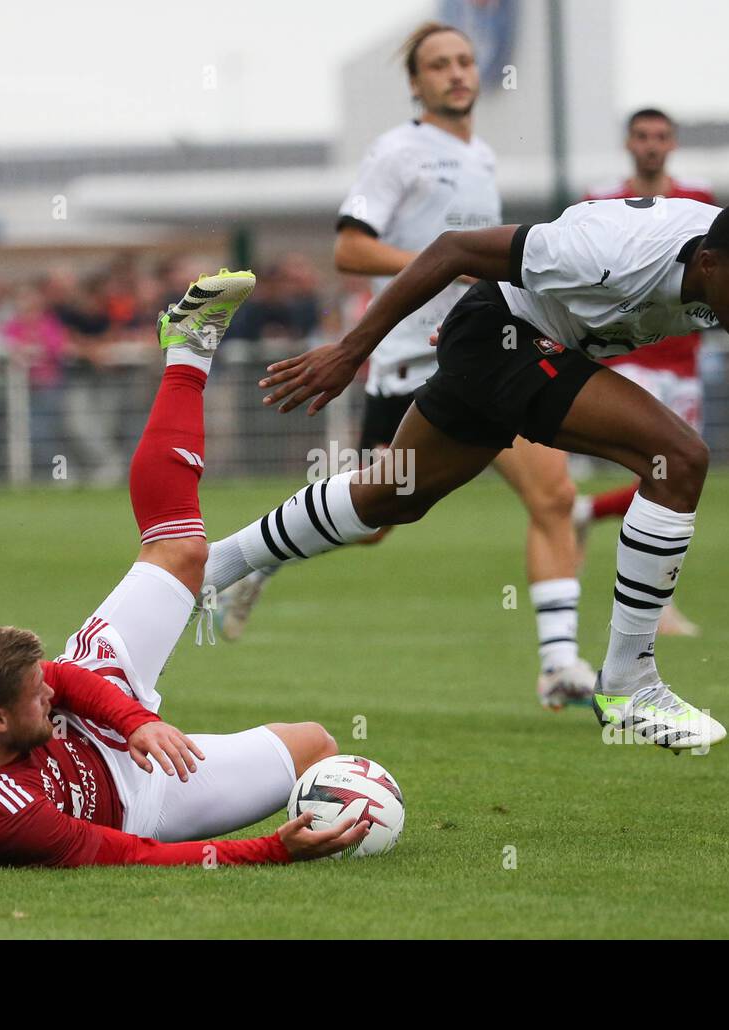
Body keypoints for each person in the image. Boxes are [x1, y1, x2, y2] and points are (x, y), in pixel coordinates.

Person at [206, 196, 729, 751]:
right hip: (505, 339)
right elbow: (452, 249)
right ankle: (628, 685)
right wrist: (350, 350)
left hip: (510, 338)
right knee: (679, 459)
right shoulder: (610, 253)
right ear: (709, 261)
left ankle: (211, 566)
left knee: (391, 494)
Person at [0, 270, 367, 867]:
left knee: (180, 550)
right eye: (33, 694)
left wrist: (133, 723)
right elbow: (132, 855)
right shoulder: (1, 820)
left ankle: (187, 348)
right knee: (318, 747)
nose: (45, 687)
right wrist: (271, 851)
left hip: (102, 718)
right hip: (143, 799)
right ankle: (228, 574)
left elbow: (63, 680)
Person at [217, 21, 596, 711]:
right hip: (406, 363)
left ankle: (559, 664)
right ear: (415, 83)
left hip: (482, 354)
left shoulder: (480, 154)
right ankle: (259, 557)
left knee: (555, 497)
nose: (455, 73)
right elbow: (350, 250)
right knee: (377, 521)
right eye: (438, 65)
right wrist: (442, 266)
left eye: (464, 61)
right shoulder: (397, 152)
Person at [574, 108, 717, 637]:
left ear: (672, 143)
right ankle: (648, 609)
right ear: (629, 143)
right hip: (630, 357)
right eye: (642, 136)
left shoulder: (701, 199)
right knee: (662, 463)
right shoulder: (602, 198)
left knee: (674, 474)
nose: (651, 145)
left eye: (660, 136)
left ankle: (587, 514)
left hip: (683, 360)